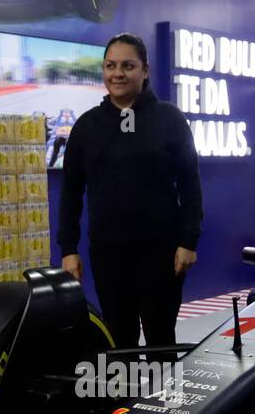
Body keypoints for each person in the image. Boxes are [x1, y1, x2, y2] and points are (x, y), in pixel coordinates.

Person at [58, 32, 203, 349]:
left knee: (160, 336)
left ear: (145, 70)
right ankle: (124, 400)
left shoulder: (170, 119)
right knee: (119, 338)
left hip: (162, 253)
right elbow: (70, 193)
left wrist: (188, 240)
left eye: (128, 65)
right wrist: (68, 248)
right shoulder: (87, 126)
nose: (117, 73)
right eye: (110, 65)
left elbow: (191, 185)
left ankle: (164, 400)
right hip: (109, 254)